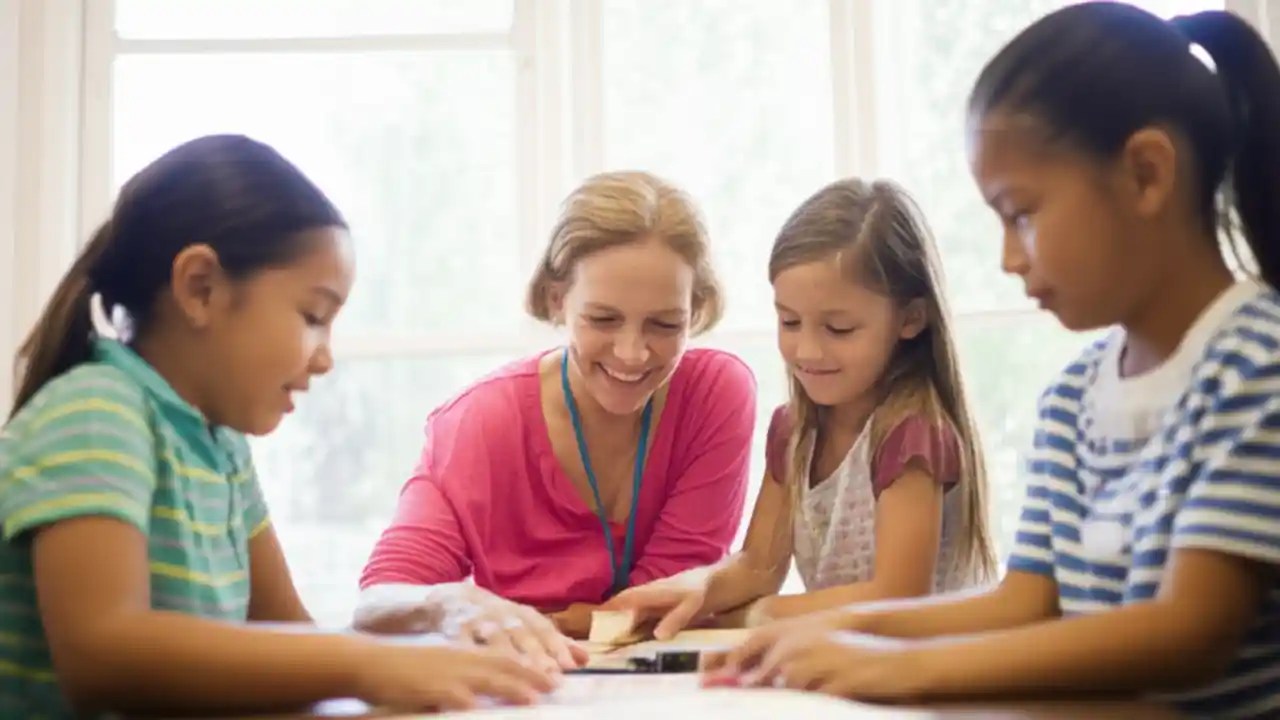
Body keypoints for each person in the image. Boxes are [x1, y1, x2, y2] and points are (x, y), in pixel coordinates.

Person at [704, 5, 1280, 718]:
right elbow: (1023, 600)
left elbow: (1191, 634)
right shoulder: (1073, 397)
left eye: (1023, 214)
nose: (1009, 258)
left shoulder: (1255, 362)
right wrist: (822, 633)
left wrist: (897, 669)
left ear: (1145, 174)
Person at [0, 135, 554, 718]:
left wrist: (420, 666)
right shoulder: (97, 410)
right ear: (201, 288)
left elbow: (288, 634)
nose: (324, 358)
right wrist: (367, 664)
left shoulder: (220, 445)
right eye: (313, 316)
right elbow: (102, 654)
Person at [354, 171, 757, 659]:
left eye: (665, 324)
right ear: (557, 299)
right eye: (602, 319)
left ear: (696, 311)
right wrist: (449, 602)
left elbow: (666, 596)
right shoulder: (480, 422)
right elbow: (381, 598)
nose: (632, 353)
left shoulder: (716, 394)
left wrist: (580, 619)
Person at [606, 178, 994, 640]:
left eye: (839, 328)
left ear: (910, 318)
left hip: (931, 676)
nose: (807, 350)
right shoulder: (794, 431)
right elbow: (758, 565)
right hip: (852, 667)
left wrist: (756, 617)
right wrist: (694, 589)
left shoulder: (911, 434)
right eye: (789, 321)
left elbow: (895, 595)